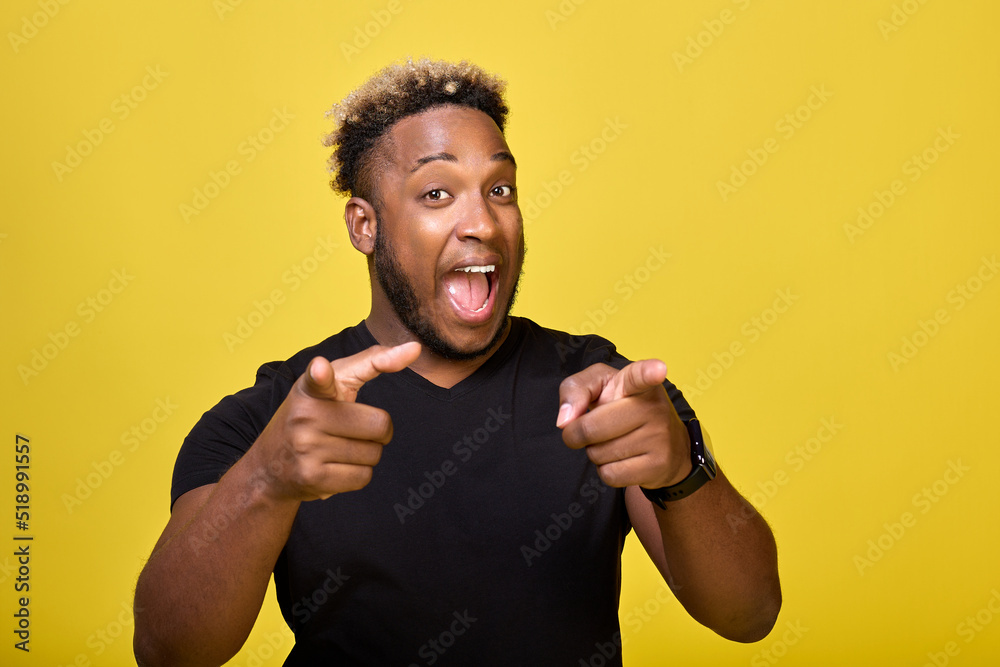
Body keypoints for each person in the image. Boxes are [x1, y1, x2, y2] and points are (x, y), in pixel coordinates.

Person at [133, 58, 780, 666]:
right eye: (438, 193)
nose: (484, 223)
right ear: (364, 225)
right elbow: (168, 648)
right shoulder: (275, 416)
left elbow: (749, 612)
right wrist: (265, 480)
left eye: (500, 188)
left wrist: (680, 471)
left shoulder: (603, 392)